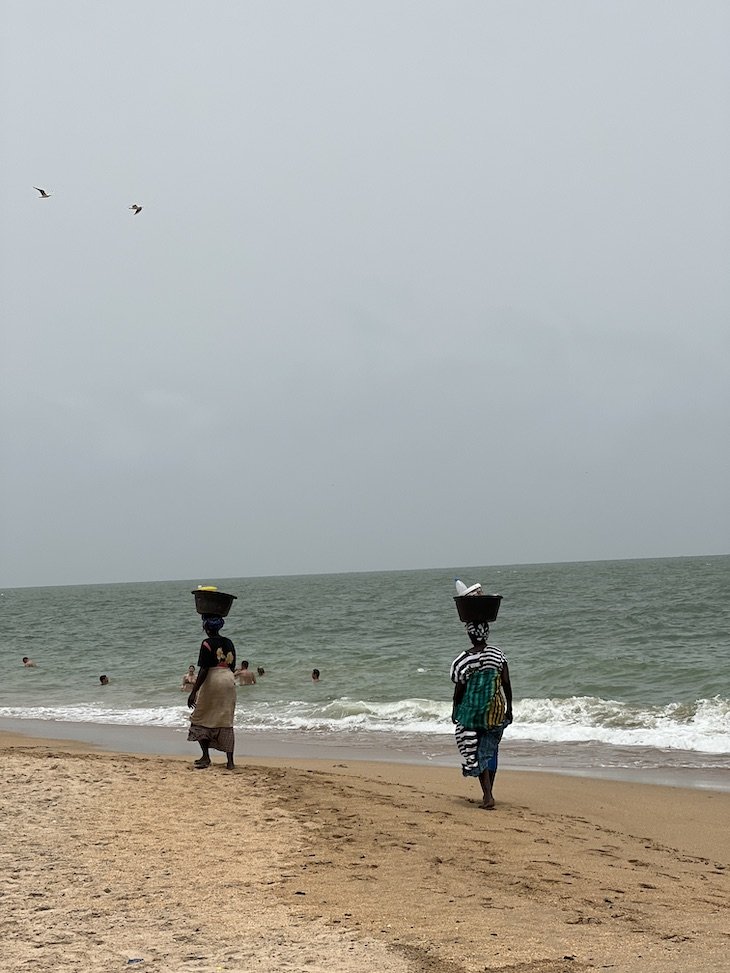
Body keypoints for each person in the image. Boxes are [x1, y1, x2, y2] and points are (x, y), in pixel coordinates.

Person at [450, 621, 512, 810]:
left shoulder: (463, 660)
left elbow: (459, 689)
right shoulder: (497, 654)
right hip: (495, 710)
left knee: (475, 750)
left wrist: (455, 709)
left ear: (470, 635)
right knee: (490, 748)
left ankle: (487, 795)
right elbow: (506, 682)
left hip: (473, 711)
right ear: (487, 634)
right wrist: (510, 708)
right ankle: (489, 791)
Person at [187, 615, 237, 770]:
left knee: (200, 717)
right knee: (225, 718)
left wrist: (194, 691)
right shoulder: (228, 642)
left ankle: (206, 757)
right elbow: (233, 665)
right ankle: (230, 762)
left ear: (207, 628)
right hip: (229, 679)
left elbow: (204, 669)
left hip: (213, 680)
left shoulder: (206, 643)